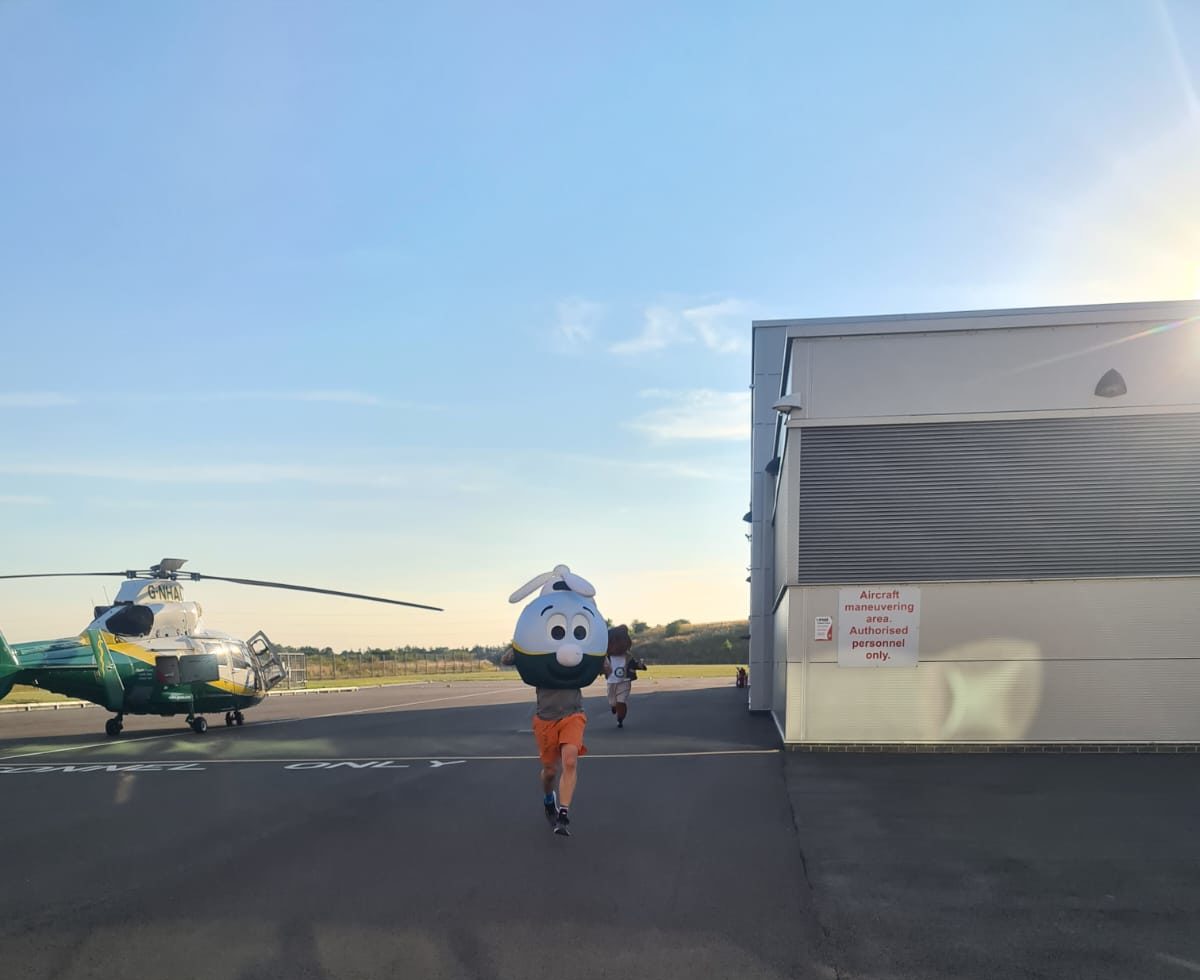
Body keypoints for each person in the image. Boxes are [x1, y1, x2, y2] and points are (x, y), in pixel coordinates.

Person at [501, 644, 587, 836]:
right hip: (545, 719)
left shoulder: (577, 646)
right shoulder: (540, 648)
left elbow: (603, 668)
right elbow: (506, 660)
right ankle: (549, 799)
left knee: (570, 761)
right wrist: (520, 645)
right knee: (550, 771)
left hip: (573, 715)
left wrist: (600, 652)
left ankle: (563, 814)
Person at [602, 624, 646, 728]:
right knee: (612, 701)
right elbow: (601, 666)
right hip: (611, 682)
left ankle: (620, 719)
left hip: (624, 681)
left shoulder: (628, 656)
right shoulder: (606, 657)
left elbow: (634, 664)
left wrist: (640, 666)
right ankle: (614, 706)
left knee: (621, 701)